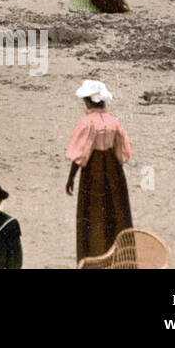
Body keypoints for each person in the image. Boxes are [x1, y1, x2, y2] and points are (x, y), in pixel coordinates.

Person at [65, 80, 133, 264]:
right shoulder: (114, 121)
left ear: (88, 101)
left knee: (93, 211)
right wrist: (115, 170)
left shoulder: (87, 122)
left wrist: (71, 177)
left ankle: (93, 256)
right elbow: (123, 152)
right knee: (116, 210)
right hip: (113, 169)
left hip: (93, 170)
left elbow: (79, 153)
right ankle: (118, 257)